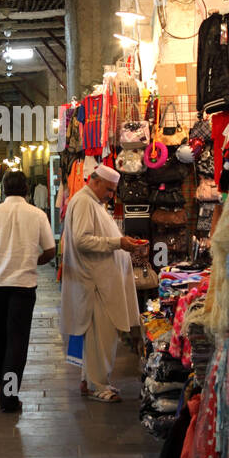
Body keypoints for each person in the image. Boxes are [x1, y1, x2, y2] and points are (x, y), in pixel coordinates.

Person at [0, 169, 55, 412]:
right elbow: (50, 251)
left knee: (2, 335)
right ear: (27, 189)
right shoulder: (37, 215)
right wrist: (33, 260)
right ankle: (8, 396)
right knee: (17, 342)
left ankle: (0, 375)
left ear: (4, 189)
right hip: (24, 288)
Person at [59, 165, 146, 402]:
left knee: (99, 337)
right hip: (94, 284)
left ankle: (90, 381)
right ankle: (98, 385)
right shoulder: (85, 202)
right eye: (108, 190)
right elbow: (82, 240)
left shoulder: (92, 203)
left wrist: (120, 243)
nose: (111, 195)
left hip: (98, 283)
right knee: (100, 338)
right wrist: (118, 243)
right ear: (95, 182)